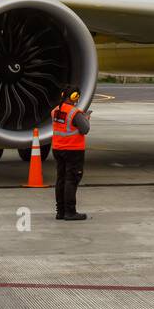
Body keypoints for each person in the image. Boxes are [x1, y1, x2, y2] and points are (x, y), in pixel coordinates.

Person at [50, 86, 91, 221]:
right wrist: (86, 119)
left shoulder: (55, 111)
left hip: (58, 148)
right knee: (71, 180)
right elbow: (84, 129)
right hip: (73, 150)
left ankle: (60, 211)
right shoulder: (74, 112)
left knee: (61, 179)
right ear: (74, 97)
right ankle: (70, 212)